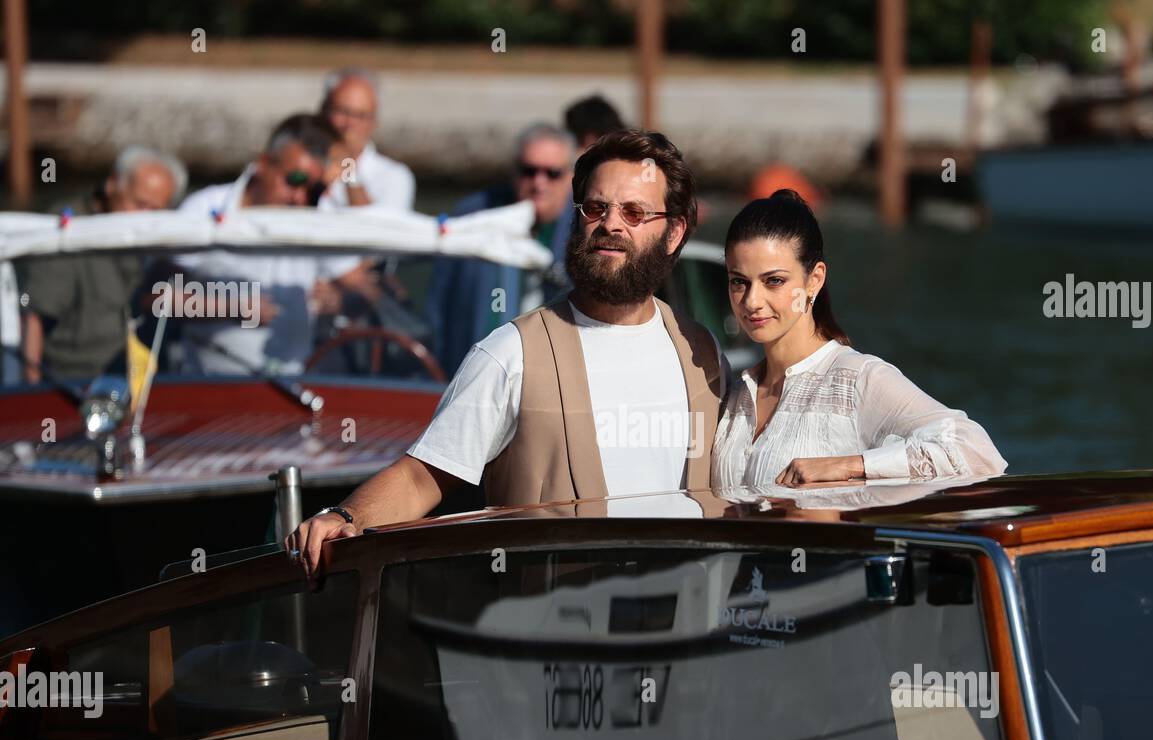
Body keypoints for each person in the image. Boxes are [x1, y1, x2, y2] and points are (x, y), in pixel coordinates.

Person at [288, 129, 727, 577]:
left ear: (673, 234)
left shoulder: (704, 354)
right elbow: (423, 477)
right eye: (596, 208)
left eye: (634, 212)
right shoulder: (511, 353)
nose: (611, 224)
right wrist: (347, 518)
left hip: (690, 629)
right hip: (554, 634)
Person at [711, 190, 1006, 490]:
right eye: (739, 282)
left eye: (774, 281)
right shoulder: (733, 394)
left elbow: (976, 451)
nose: (752, 301)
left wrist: (852, 465)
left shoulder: (855, 380)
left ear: (814, 280)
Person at [170, 113, 372, 374]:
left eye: (311, 187)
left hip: (294, 394)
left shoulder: (317, 215)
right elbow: (157, 298)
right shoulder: (204, 207)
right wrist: (234, 309)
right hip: (210, 389)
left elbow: (367, 292)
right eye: (294, 181)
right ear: (264, 164)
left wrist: (340, 301)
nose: (300, 197)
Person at [18, 146, 186, 383]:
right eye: (139, 204)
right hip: (74, 383)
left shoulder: (155, 234)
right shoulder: (67, 229)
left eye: (155, 210)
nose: (144, 217)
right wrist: (32, 393)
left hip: (142, 379)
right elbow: (33, 318)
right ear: (112, 185)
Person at [424, 122, 576, 373]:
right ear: (514, 173)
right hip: (473, 374)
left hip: (553, 379)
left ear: (571, 177)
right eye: (529, 171)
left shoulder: (587, 228)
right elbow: (438, 305)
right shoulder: (473, 216)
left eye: (552, 173)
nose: (539, 183)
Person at [318, 68, 415, 211]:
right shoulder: (304, 164)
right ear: (323, 111)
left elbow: (374, 227)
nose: (349, 124)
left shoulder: (394, 176)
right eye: (342, 111)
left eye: (360, 115)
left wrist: (348, 167)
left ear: (374, 122)